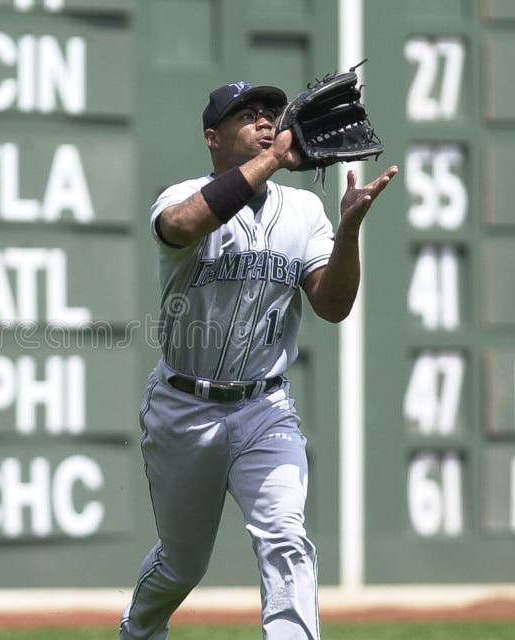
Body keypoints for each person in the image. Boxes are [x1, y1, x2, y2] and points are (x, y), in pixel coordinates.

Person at [119, 80, 398, 639]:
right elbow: (181, 226)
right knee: (182, 565)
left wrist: (348, 231)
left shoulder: (304, 210)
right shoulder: (181, 195)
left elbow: (333, 305)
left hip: (264, 409)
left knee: (285, 537)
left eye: (271, 112)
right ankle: (139, 632)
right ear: (212, 138)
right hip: (183, 408)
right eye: (246, 115)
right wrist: (273, 160)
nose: (266, 121)